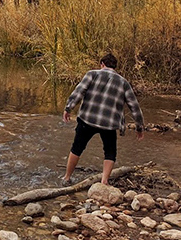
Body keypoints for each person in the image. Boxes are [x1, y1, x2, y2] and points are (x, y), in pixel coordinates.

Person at [62, 53, 144, 186]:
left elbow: (79, 92)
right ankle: (104, 181)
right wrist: (139, 127)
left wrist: (68, 108)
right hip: (109, 124)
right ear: (115, 67)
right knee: (110, 152)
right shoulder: (124, 83)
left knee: (77, 148)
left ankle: (66, 178)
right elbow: (134, 106)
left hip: (87, 119)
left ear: (102, 64)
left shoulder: (92, 74)